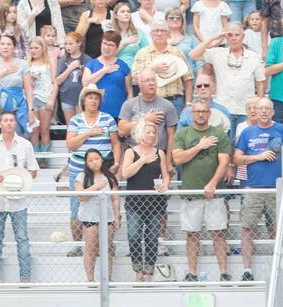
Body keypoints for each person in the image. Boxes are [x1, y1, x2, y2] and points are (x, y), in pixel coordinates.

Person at [233, 95, 283, 281]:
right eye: (261, 108)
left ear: (273, 112)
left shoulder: (282, 130)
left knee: (280, 230)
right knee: (246, 229)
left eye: (268, 108)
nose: (264, 111)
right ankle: (247, 270)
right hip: (253, 189)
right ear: (255, 112)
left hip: (277, 188)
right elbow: (237, 158)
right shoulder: (247, 132)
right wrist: (258, 157)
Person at [173, 98, 232, 282]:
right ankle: (192, 273)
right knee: (192, 234)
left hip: (214, 194)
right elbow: (178, 159)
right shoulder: (183, 133)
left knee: (219, 233)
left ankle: (223, 273)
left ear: (209, 113)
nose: (200, 114)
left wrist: (213, 183)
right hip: (191, 193)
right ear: (191, 114)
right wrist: (199, 146)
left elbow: (224, 162)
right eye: (197, 111)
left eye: (204, 111)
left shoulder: (219, 134)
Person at [0, 107, 38, 284]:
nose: (9, 123)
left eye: (12, 120)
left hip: (19, 200)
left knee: (22, 238)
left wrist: (20, 178)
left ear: (15, 123)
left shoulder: (25, 145)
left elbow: (33, 170)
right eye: (5, 120)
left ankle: (25, 276)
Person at [65, 84, 120, 252]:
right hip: (78, 169)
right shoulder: (75, 120)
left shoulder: (108, 119)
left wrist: (117, 162)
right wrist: (89, 132)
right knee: (76, 206)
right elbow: (70, 144)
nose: (93, 101)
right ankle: (77, 246)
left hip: (102, 170)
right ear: (84, 100)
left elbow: (116, 142)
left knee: (106, 205)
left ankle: (105, 245)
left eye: (96, 98)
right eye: (90, 97)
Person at [190, 24, 264, 141]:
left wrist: (260, 107)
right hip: (224, 109)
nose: (234, 38)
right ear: (226, 37)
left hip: (246, 110)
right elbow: (193, 54)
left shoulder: (254, 56)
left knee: (243, 145)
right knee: (224, 145)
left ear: (243, 36)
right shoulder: (217, 53)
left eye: (237, 35)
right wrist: (215, 37)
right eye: (230, 35)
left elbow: (260, 83)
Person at [122, 114, 171, 281]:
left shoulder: (160, 153)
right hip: (135, 201)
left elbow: (165, 175)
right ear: (140, 133)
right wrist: (143, 160)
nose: (152, 135)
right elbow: (125, 173)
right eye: (149, 132)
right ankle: (138, 269)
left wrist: (165, 185)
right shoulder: (130, 151)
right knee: (134, 234)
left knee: (151, 236)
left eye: (154, 133)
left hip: (155, 201)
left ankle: (149, 270)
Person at [75, 146, 119, 286]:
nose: (94, 162)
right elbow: (81, 197)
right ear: (86, 163)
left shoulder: (110, 177)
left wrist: (117, 216)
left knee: (108, 248)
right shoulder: (81, 176)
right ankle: (90, 279)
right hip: (89, 218)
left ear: (102, 160)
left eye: (97, 159)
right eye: (91, 160)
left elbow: (115, 198)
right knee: (90, 249)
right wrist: (96, 187)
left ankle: (108, 278)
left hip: (108, 218)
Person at [130, 19, 192, 117]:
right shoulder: (142, 53)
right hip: (149, 102)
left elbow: (188, 79)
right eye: (156, 31)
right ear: (151, 34)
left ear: (168, 33)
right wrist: (152, 70)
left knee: (174, 132)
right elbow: (135, 78)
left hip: (175, 101)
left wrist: (188, 103)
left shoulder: (177, 52)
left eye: (163, 31)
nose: (159, 33)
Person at [82, 31, 131, 123]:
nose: (106, 47)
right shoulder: (91, 64)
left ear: (117, 47)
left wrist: (128, 114)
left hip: (119, 113)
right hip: (96, 114)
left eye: (111, 45)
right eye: (104, 43)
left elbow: (129, 91)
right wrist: (104, 70)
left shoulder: (123, 65)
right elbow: (85, 83)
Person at [56, 29, 84, 126]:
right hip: (66, 97)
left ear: (79, 43)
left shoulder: (87, 59)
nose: (67, 46)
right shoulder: (64, 60)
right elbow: (58, 80)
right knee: (71, 127)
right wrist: (70, 68)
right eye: (66, 44)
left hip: (81, 98)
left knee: (81, 126)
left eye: (70, 44)